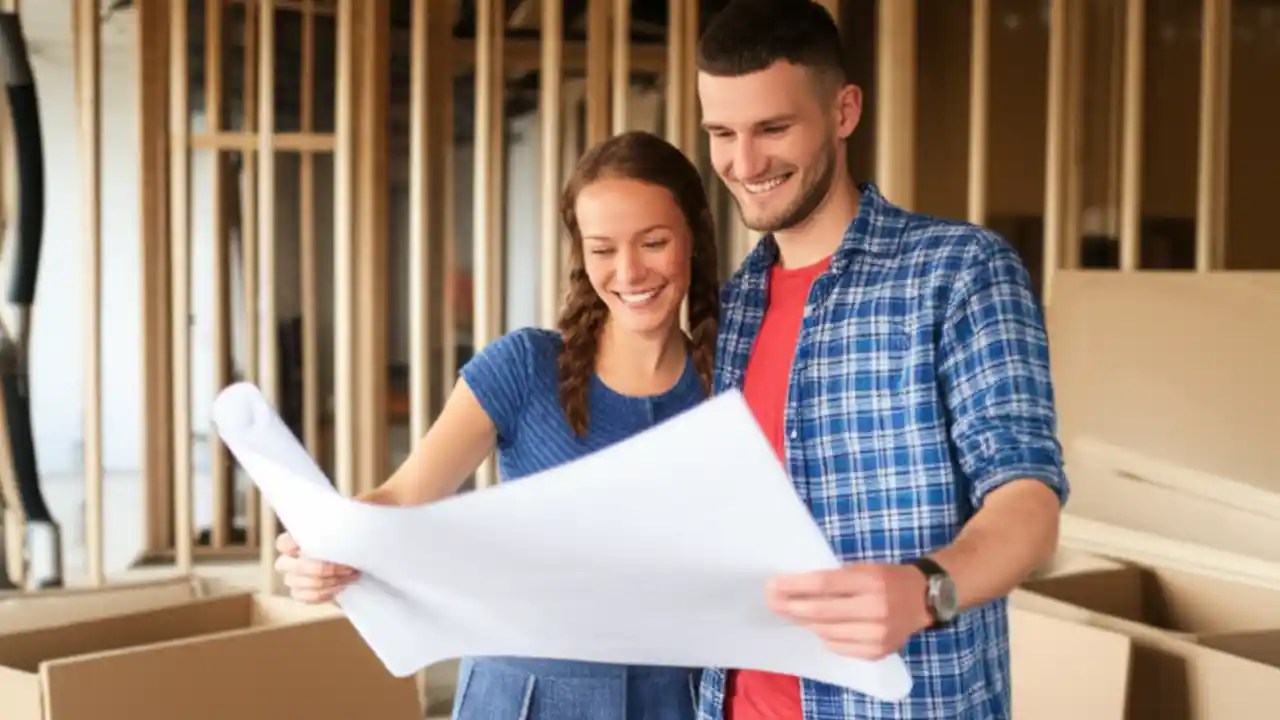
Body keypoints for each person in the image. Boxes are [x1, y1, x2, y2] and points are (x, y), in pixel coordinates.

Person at [693, 1, 1069, 719]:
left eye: (774, 128)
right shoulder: (730, 308)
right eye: (722, 133)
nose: (744, 163)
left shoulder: (960, 273)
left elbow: (1029, 502)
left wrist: (928, 588)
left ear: (844, 110)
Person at [272, 130, 720, 719]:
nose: (629, 272)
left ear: (692, 237)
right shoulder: (525, 367)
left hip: (676, 699)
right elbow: (404, 495)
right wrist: (330, 544)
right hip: (522, 698)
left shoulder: (727, 384)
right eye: (603, 249)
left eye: (654, 242)